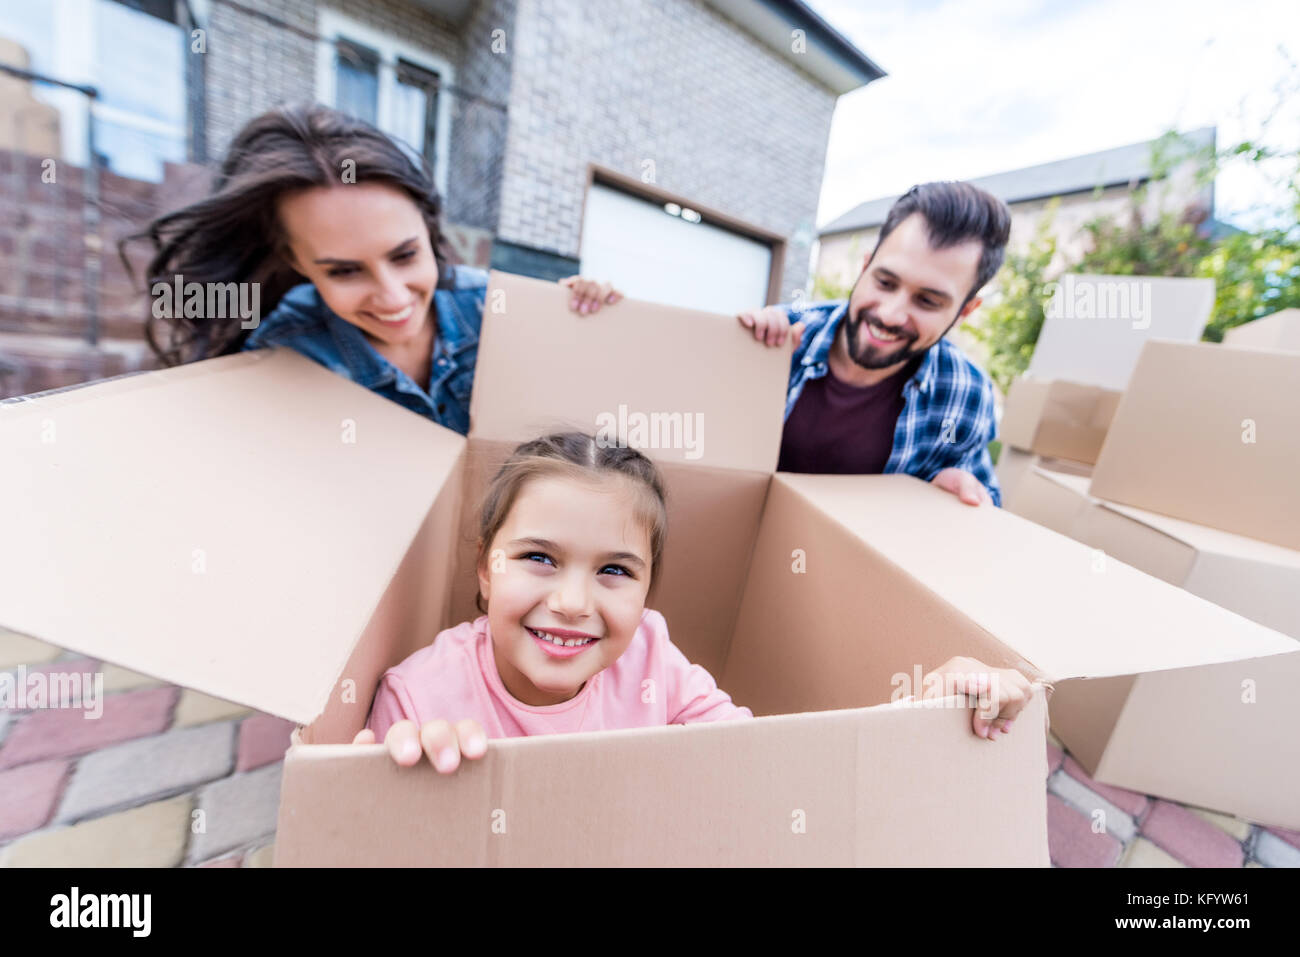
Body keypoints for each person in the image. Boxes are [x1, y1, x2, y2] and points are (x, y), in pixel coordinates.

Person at [352, 432, 1039, 772]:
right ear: (484, 567)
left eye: (614, 570)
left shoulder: (652, 655)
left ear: (649, 588)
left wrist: (929, 705)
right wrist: (394, 778)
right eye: (539, 558)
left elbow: (772, 761)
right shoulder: (419, 697)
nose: (570, 601)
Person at [128, 104, 621, 432]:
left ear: (429, 229)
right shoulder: (285, 352)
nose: (392, 297)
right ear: (296, 261)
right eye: (344, 271)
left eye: (405, 255)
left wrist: (578, 317)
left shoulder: (501, 310)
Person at [737, 182, 1010, 506]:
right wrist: (739, 355)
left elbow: (984, 501)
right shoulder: (779, 336)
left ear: (965, 310)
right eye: (885, 282)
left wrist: (962, 497)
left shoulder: (965, 393)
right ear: (864, 267)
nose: (890, 315)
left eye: (927, 301)